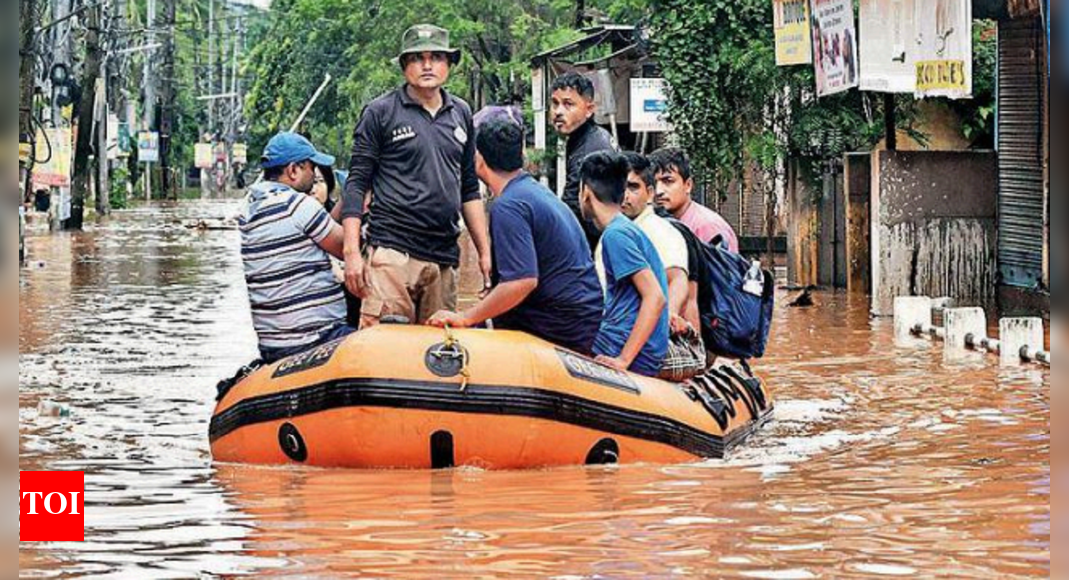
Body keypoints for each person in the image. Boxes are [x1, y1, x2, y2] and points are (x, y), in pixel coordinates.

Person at [341, 24, 492, 329]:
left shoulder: (461, 113)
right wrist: (352, 253)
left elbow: (468, 188)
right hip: (392, 254)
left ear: (448, 64)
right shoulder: (380, 112)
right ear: (404, 66)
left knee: (440, 355)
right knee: (384, 351)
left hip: (444, 258)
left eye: (436, 56)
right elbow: (357, 183)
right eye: (417, 58)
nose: (427, 65)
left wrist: (485, 253)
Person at [427, 114, 604, 354]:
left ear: (478, 158)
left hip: (559, 325)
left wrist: (466, 317)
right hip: (581, 317)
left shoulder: (509, 206)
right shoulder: (534, 192)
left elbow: (521, 281)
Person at [240, 132, 353, 364]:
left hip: (273, 345)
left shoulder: (250, 209)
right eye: (311, 167)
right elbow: (348, 249)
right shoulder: (297, 204)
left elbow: (314, 231)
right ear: (293, 170)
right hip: (317, 339)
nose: (314, 176)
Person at [579, 151, 669, 377]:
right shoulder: (623, 229)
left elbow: (655, 297)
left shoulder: (616, 235)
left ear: (586, 192)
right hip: (627, 340)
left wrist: (623, 359)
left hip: (630, 350)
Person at [598, 152, 700, 338]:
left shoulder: (660, 231)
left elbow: (677, 280)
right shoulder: (614, 229)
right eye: (619, 186)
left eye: (633, 187)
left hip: (636, 342)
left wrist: (667, 318)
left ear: (650, 193)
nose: (625, 195)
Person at [551, 71, 616, 253]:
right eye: (555, 103)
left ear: (589, 109)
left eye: (568, 104)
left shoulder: (591, 148)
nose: (558, 112)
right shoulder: (585, 138)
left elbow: (572, 209)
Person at [649, 147, 740, 253]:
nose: (659, 191)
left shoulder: (708, 227)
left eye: (668, 181)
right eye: (653, 183)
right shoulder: (657, 224)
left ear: (688, 185)